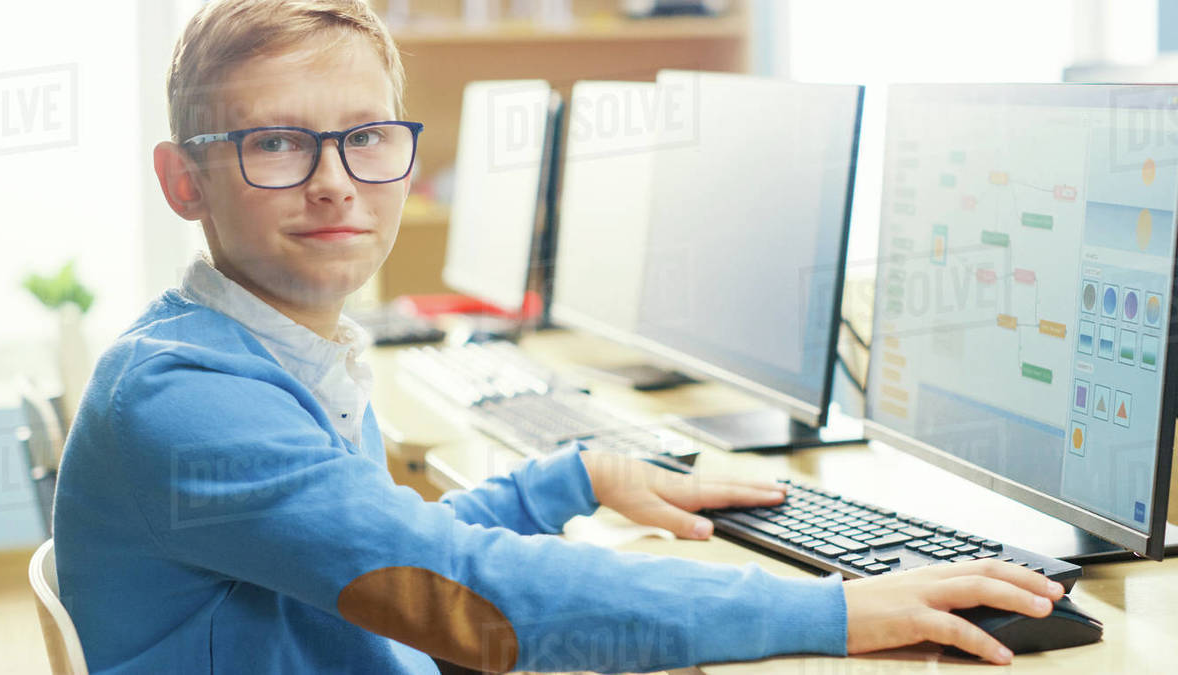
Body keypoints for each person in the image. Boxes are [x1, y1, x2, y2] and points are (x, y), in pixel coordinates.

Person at [52, 1, 1063, 672]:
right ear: (184, 181)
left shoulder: (272, 347)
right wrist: (840, 612)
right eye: (275, 141)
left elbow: (383, 553)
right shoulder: (188, 400)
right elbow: (464, 597)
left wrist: (574, 480)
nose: (335, 179)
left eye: (366, 137)